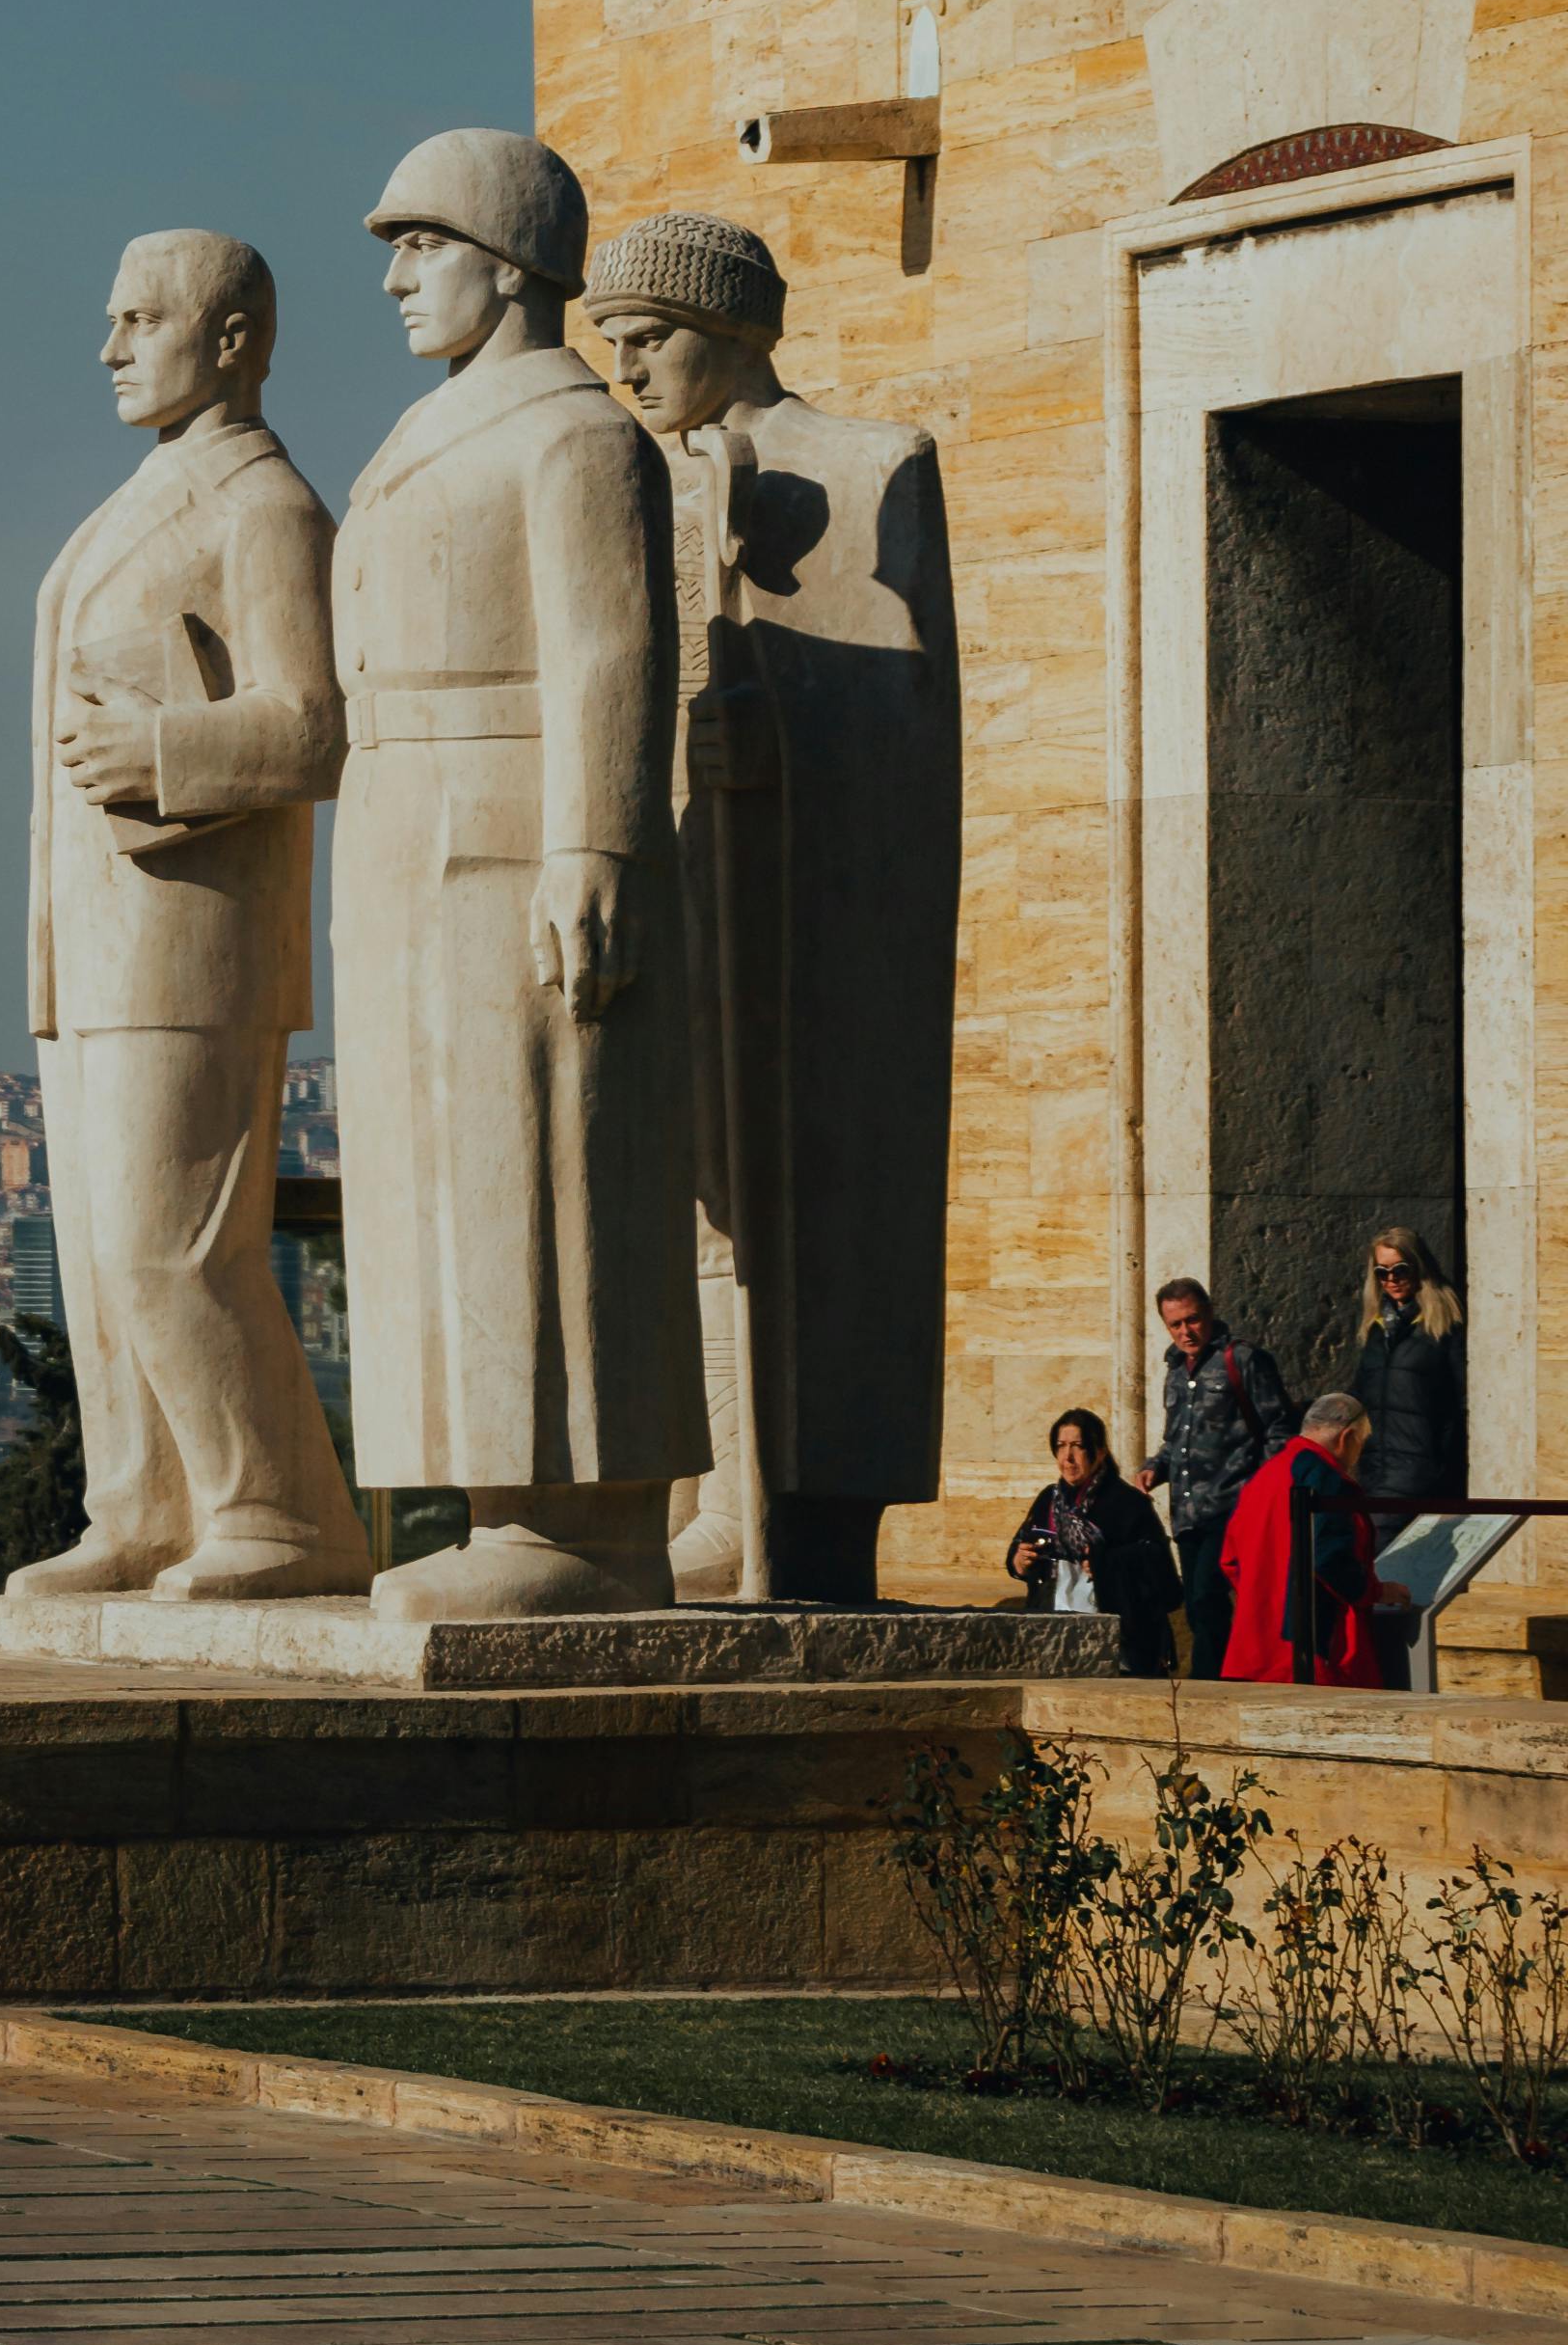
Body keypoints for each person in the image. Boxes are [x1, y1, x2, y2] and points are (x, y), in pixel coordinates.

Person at [329, 129, 707, 1615]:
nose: (399, 280)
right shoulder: (441, 430)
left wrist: (597, 839)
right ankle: (503, 1498)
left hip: (517, 822)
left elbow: (615, 647)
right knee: (452, 1177)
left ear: (508, 263)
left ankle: (587, 1525)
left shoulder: (576, 435)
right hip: (408, 823)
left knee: (549, 1167)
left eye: (421, 247)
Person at [583, 207, 960, 1611]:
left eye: (651, 338)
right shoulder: (635, 490)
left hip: (815, 937)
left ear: (733, 328)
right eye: (610, 344)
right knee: (689, 1207)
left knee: (786, 1214)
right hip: (690, 897)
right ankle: (699, 1496)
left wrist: (781, 740)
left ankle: (774, 1511)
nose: (628, 370)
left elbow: (919, 728)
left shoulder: (873, 465)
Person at [7, 228, 368, 1604]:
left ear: (230, 339)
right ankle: (144, 1504)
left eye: (138, 319)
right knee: (105, 1253)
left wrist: (164, 756)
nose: (109, 348)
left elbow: (320, 727)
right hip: (97, 935)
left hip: (195, 933)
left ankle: (277, 1511)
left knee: (170, 1242)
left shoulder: (268, 510)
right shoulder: (138, 499)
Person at [1133, 1277, 1293, 1681]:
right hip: (1187, 1511)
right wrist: (1156, 1467)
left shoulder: (1242, 1360)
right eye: (1175, 1325)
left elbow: (1279, 1428)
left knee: (1207, 1597)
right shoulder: (1173, 1371)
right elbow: (1175, 1439)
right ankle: (1222, 1679)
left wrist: (1262, 1489)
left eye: (1193, 1320)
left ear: (1208, 1314)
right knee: (1197, 1603)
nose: (1186, 1332)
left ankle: (1210, 1686)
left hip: (1232, 1505)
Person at [1216, 1392, 1412, 1688]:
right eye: (1361, 1443)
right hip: (1312, 1652)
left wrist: (1264, 1595)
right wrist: (1375, 1591)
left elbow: (1230, 1560)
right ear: (1346, 1438)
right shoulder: (1327, 1479)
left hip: (1255, 1648)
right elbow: (1327, 1557)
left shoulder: (1265, 1476)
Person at [1005, 1409, 1181, 1677]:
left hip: (1119, 1639)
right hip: (1052, 1634)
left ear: (1099, 1452)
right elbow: (1019, 1548)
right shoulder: (1048, 1500)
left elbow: (1160, 1570)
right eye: (1061, 1447)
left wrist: (1106, 1563)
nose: (1068, 1458)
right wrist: (1019, 1562)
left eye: (1078, 1446)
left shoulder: (1128, 1504)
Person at [1350, 1225, 1468, 1514]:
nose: (1391, 1280)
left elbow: (1464, 1399)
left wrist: (1445, 1463)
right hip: (1374, 1468)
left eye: (1399, 1269)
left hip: (1421, 1471)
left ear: (1419, 1267)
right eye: (1382, 1271)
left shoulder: (1445, 1326)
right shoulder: (1375, 1328)